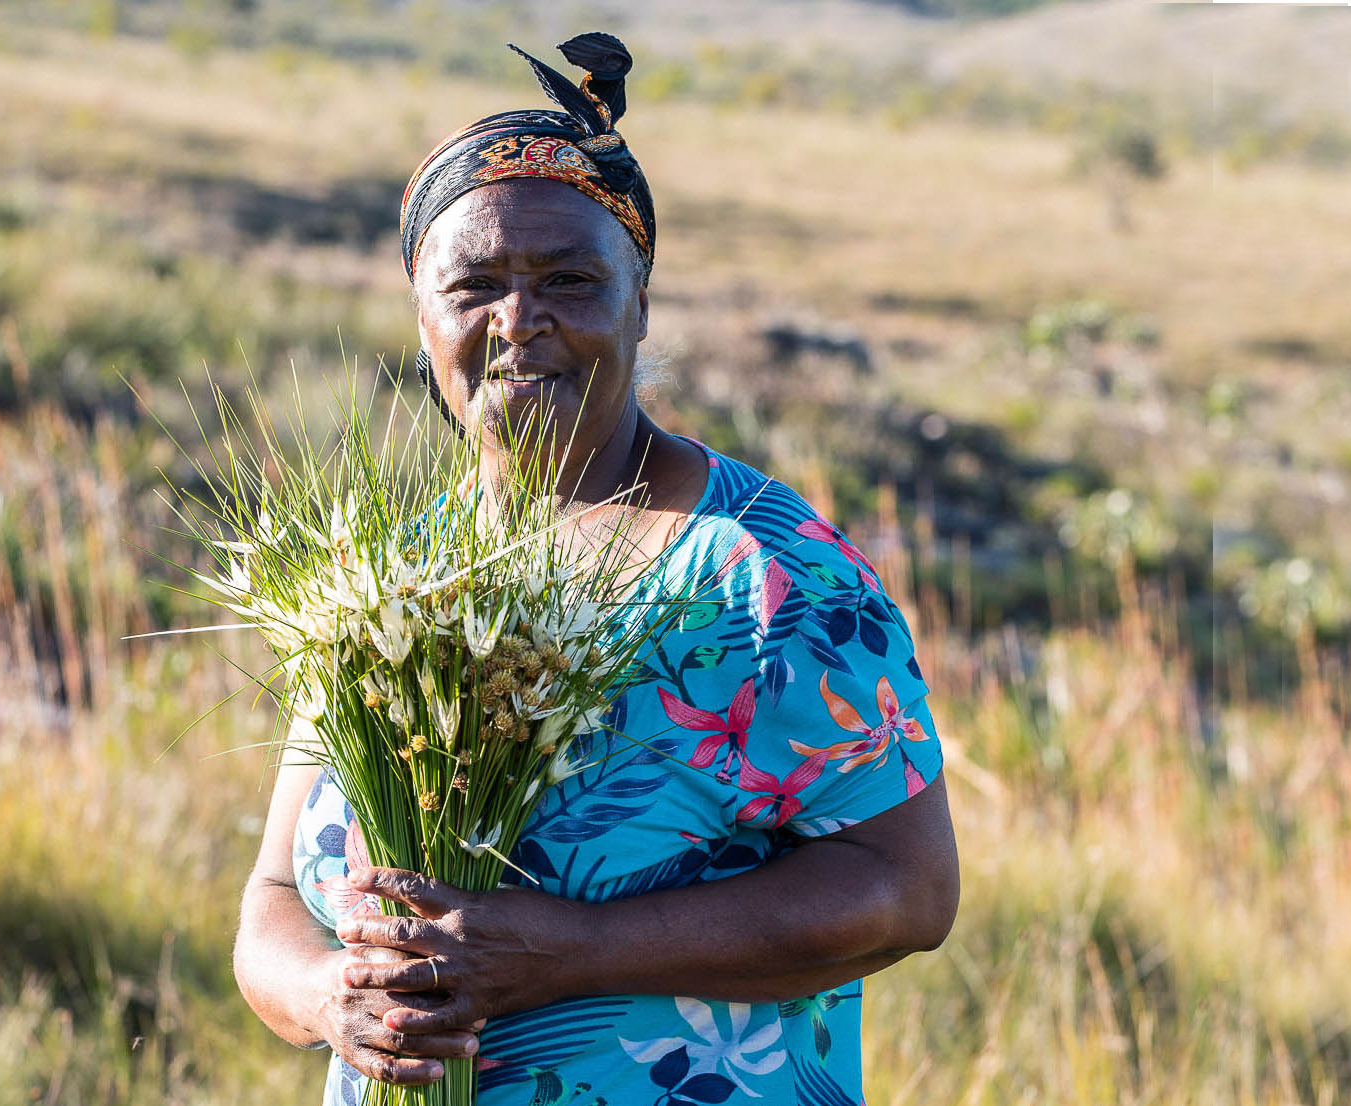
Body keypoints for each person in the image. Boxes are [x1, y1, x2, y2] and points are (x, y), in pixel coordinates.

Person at [233, 33, 959, 1106]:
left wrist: (576, 947)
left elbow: (905, 889)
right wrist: (326, 991)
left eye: (569, 279)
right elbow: (276, 893)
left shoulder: (764, 572)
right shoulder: (385, 583)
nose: (519, 322)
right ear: (422, 316)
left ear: (638, 306)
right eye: (474, 282)